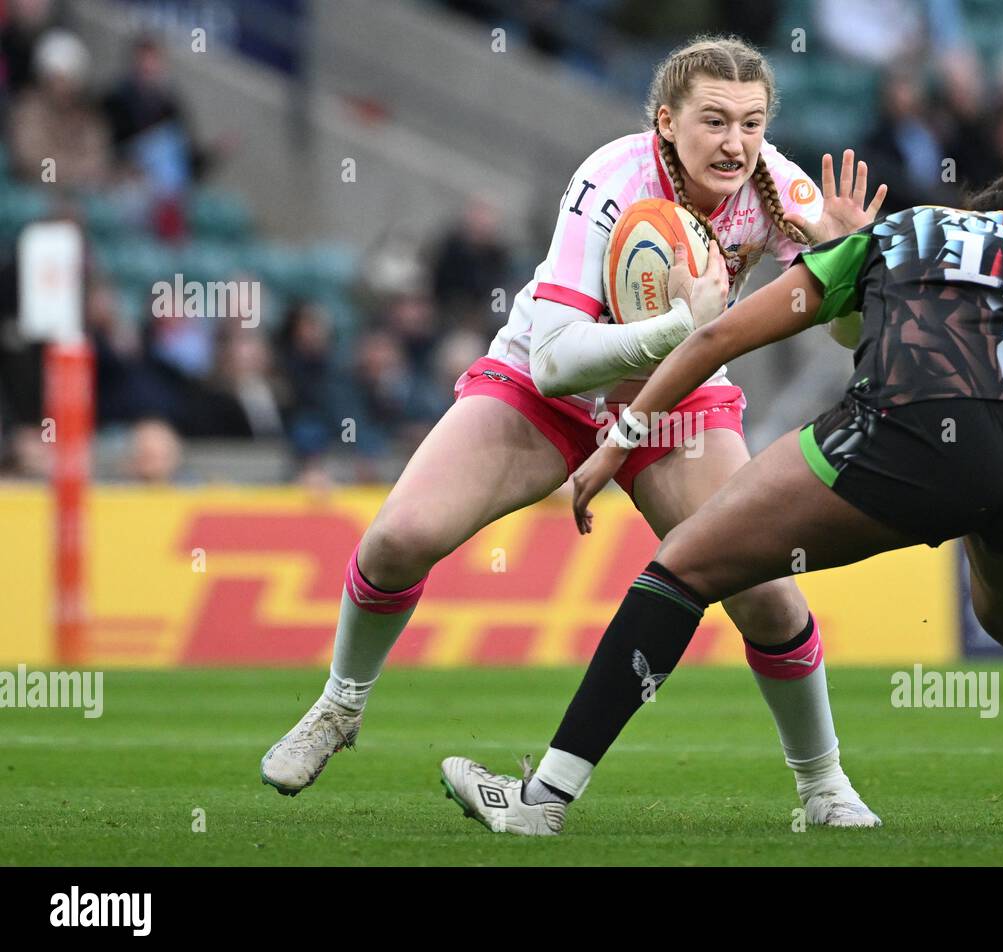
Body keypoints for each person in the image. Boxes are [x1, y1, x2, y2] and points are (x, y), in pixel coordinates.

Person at [442, 119, 1003, 838]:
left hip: (912, 427)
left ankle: (542, 801)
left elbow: (719, 335)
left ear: (997, 193)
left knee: (685, 564)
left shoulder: (909, 229)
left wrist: (619, 439)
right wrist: (993, 486)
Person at [260, 35, 892, 827]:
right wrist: (675, 330)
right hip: (545, 390)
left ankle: (824, 787)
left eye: (752, 123)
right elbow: (557, 361)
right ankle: (340, 708)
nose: (736, 143)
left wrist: (844, 266)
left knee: (766, 596)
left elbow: (847, 340)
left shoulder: (783, 192)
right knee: (398, 538)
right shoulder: (610, 179)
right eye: (714, 121)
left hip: (676, 406)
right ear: (667, 121)